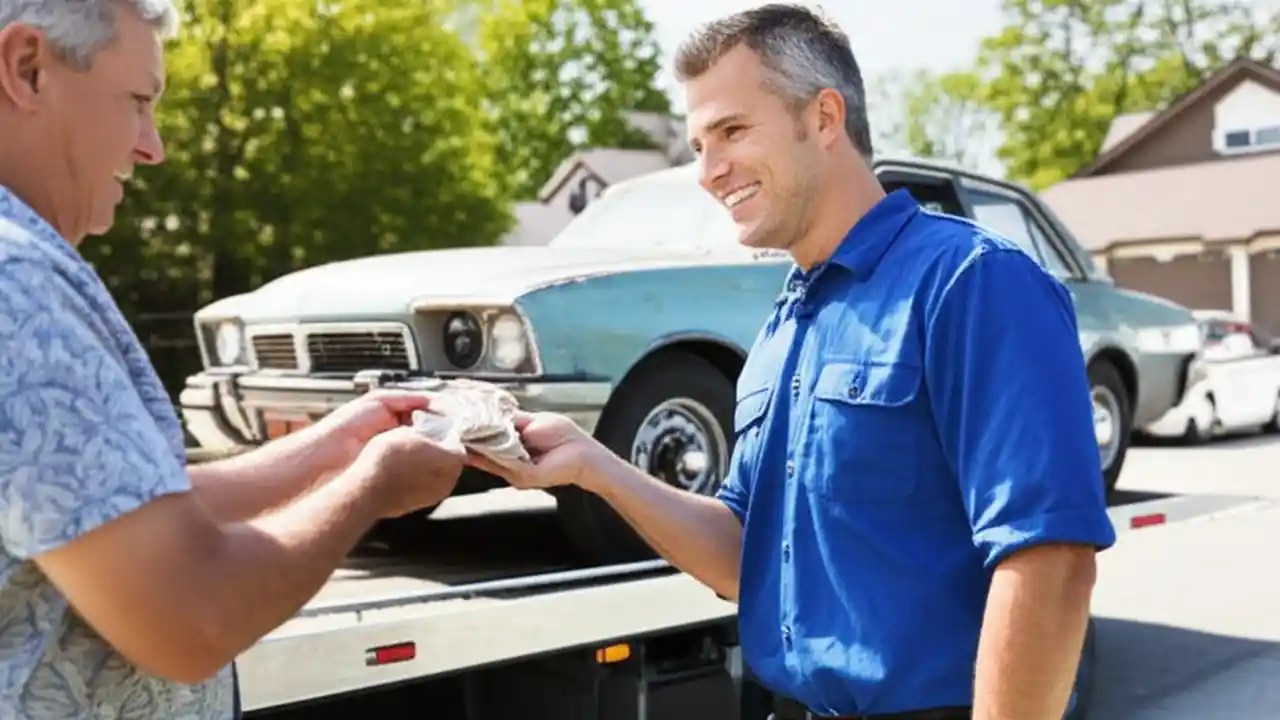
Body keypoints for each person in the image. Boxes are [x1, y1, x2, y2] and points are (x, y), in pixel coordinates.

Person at [470, 4, 1117, 719]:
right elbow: (743, 553)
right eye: (696, 145)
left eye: (732, 131)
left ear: (824, 117)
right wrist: (593, 467)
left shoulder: (971, 282)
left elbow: (1050, 560)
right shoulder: (785, 323)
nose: (709, 172)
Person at [0, 1, 464, 717]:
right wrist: (372, 485)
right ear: (28, 69)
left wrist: (341, 442)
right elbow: (193, 616)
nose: (152, 146)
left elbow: (118, 509)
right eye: (138, 102)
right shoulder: (16, 284)